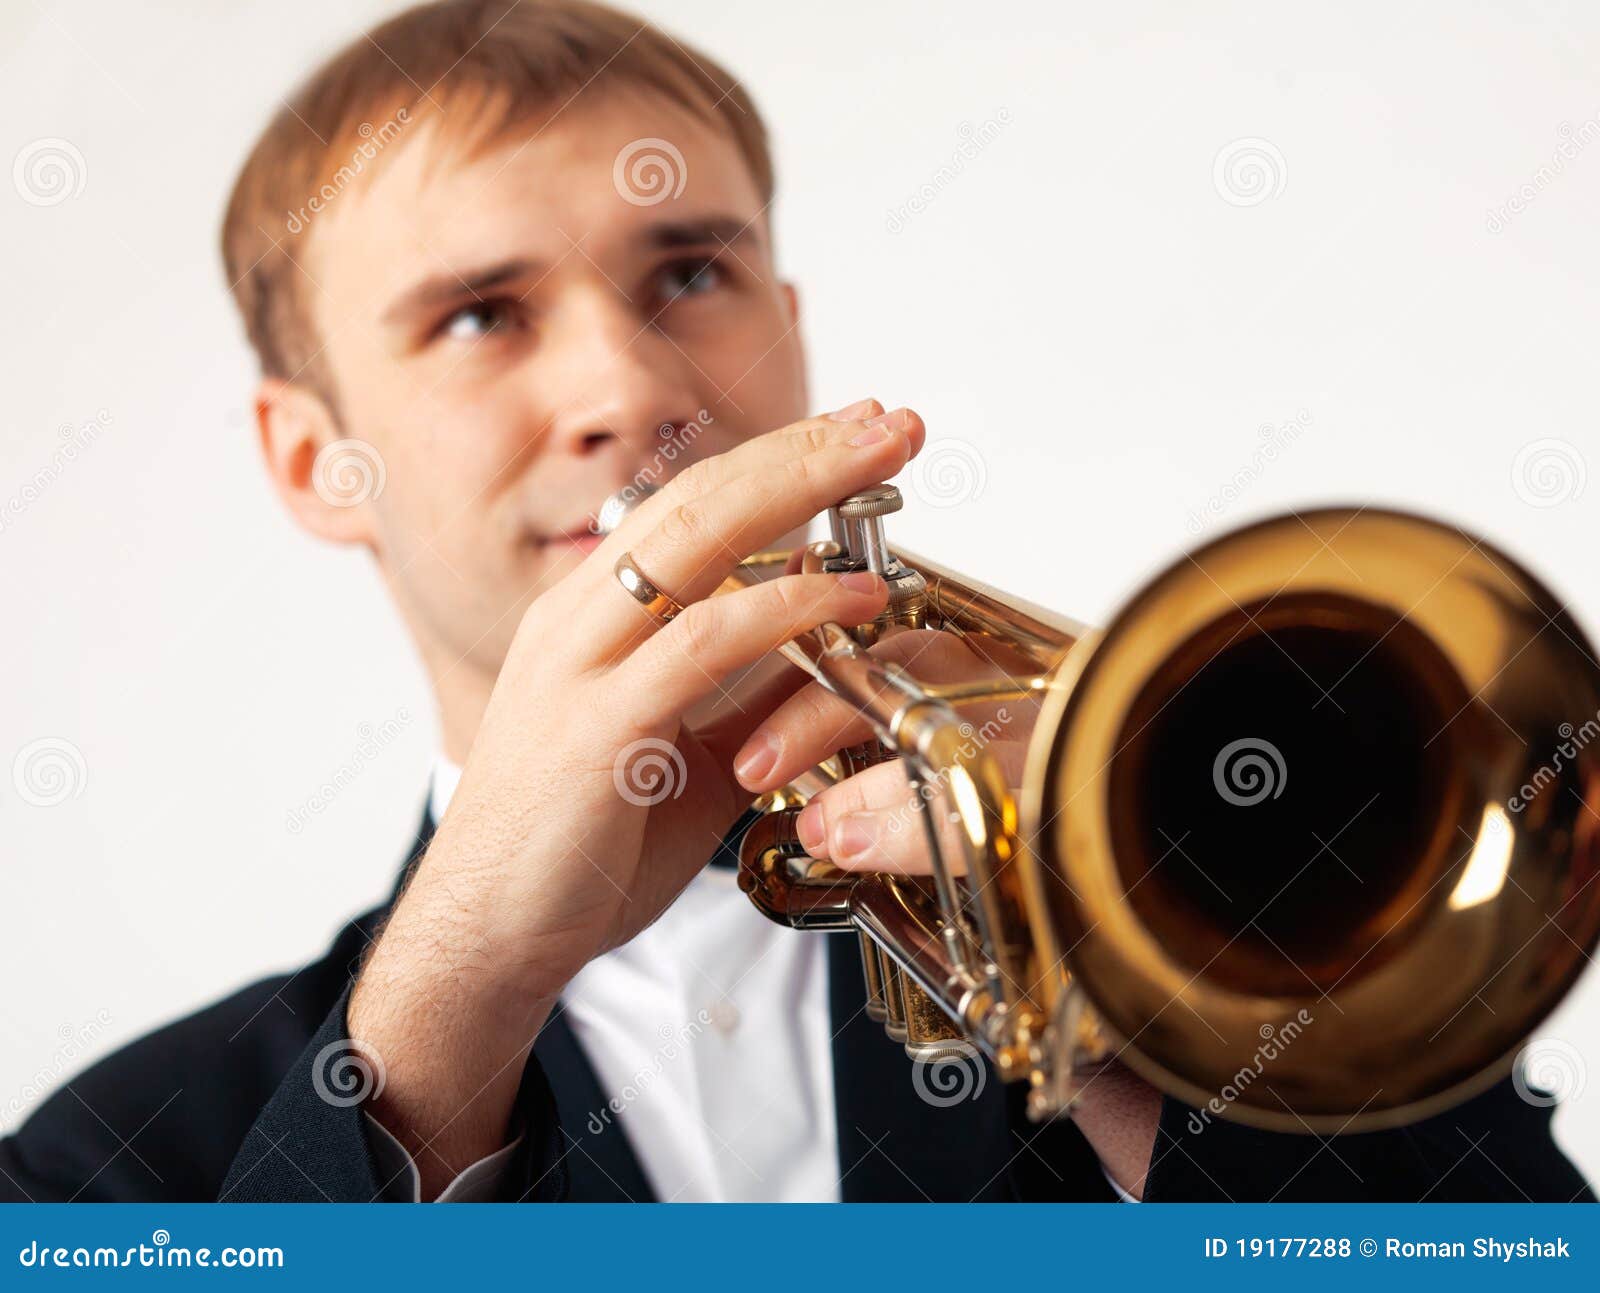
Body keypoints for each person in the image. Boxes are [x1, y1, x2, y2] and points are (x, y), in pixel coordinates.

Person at [2, 0, 1590, 1204]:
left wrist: (1173, 1022)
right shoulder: (109, 1167)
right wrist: (435, 1017)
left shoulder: (1243, 951)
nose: (629, 388)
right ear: (309, 460)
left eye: (690, 273)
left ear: (794, 330)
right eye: (482, 313)